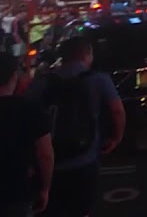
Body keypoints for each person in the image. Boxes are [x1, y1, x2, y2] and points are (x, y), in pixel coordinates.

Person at [27, 37, 126, 217]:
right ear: (87, 54)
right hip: (85, 158)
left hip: (49, 161)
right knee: (81, 208)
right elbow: (117, 111)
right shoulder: (98, 79)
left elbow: (28, 117)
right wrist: (116, 138)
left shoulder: (41, 82)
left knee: (50, 209)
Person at [2, 52, 52, 217]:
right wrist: (45, 188)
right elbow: (45, 154)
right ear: (14, 77)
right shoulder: (29, 108)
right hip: (17, 191)